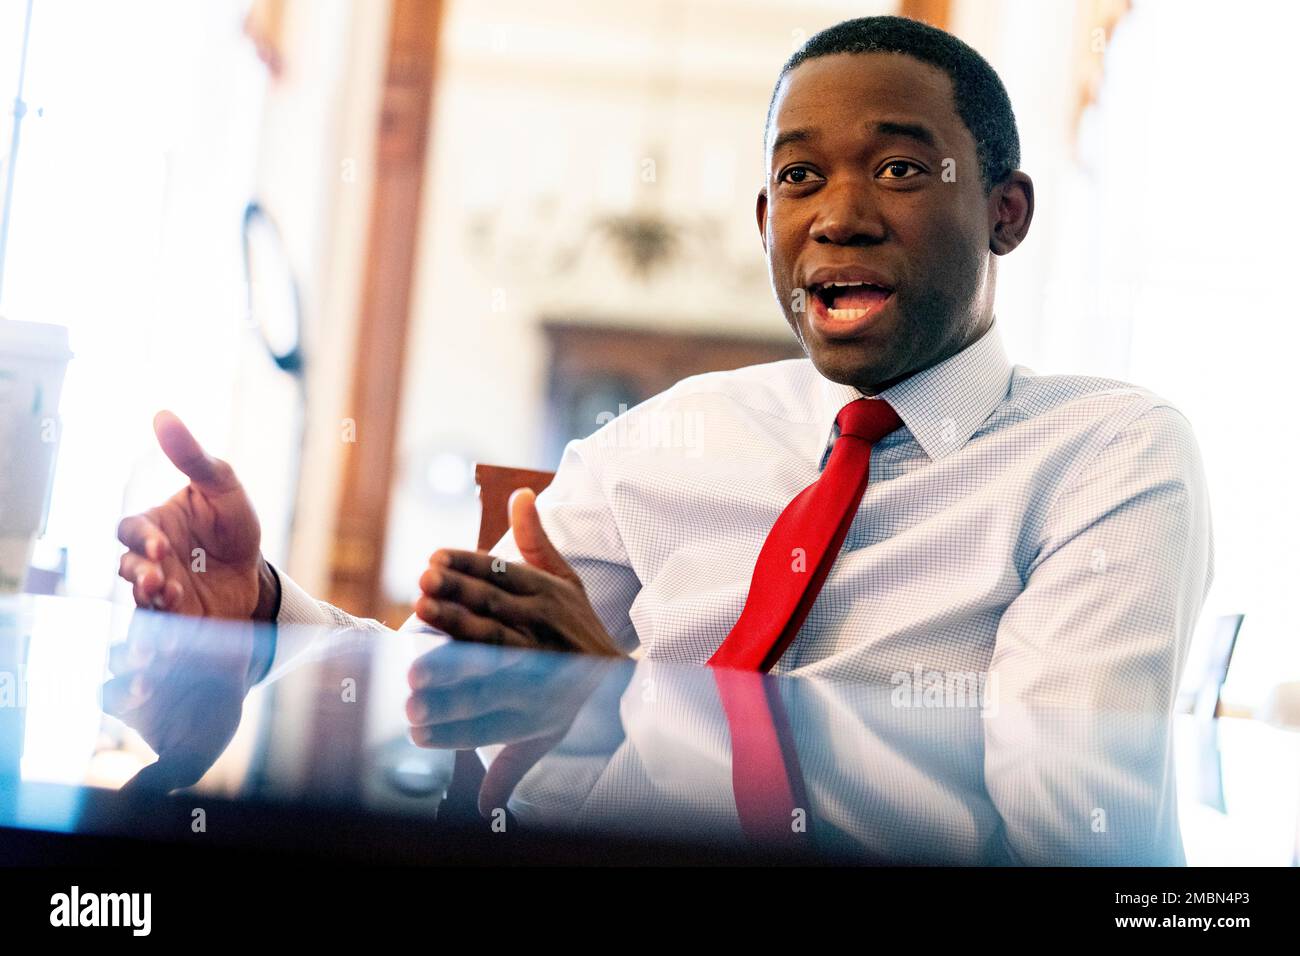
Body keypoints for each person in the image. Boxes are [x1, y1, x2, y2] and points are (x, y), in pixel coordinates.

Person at [117, 16, 1212, 710]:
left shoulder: (1108, 457)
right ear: (761, 221)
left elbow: (1061, 824)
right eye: (797, 178)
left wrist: (624, 708)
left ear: (1004, 213)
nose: (838, 215)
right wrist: (258, 608)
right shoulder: (669, 433)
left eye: (895, 165)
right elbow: (446, 677)